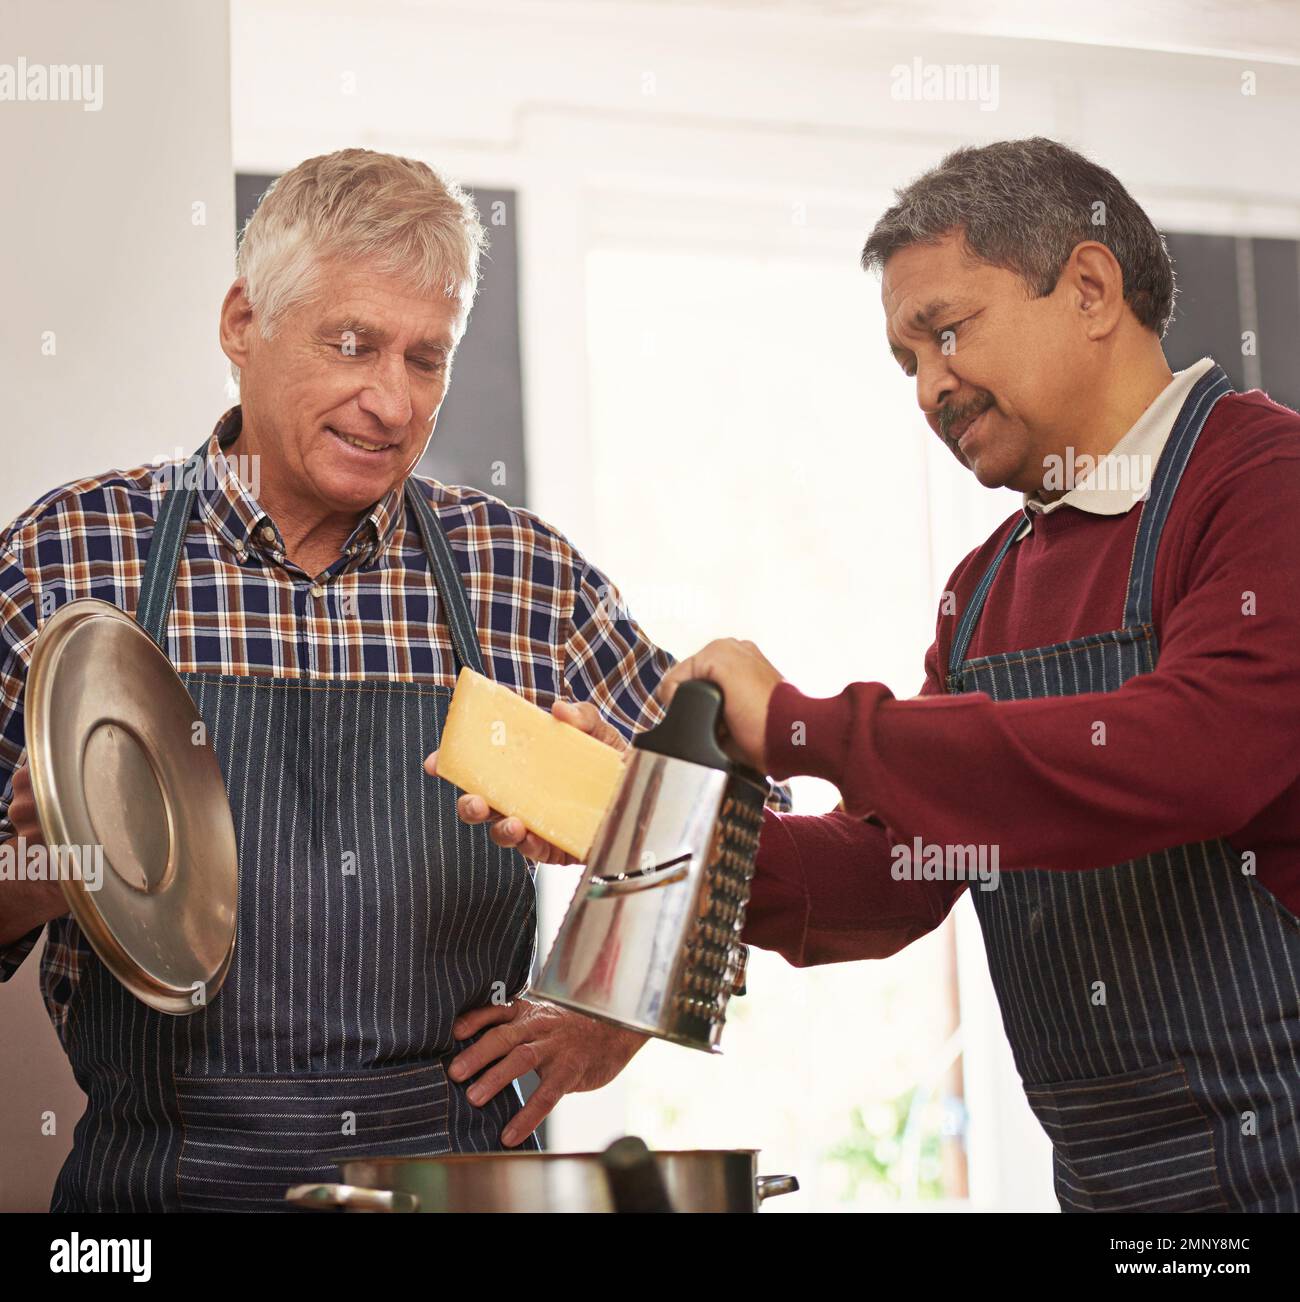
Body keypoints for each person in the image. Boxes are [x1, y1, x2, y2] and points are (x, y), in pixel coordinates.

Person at [451, 138, 1300, 1213]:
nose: (931, 388)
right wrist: (646, 829)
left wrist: (802, 727)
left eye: (947, 333)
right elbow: (892, 881)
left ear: (1089, 288)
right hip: (1112, 1186)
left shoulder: (1262, 481)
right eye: (908, 364)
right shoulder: (983, 588)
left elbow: (1192, 759)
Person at [0, 148, 671, 1211]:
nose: (392, 403)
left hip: (453, 1185)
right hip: (159, 1189)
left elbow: (732, 835)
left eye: (427, 358)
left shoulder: (521, 577)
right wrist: (40, 876)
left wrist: (618, 1003)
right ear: (240, 324)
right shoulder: (71, 557)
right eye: (354, 345)